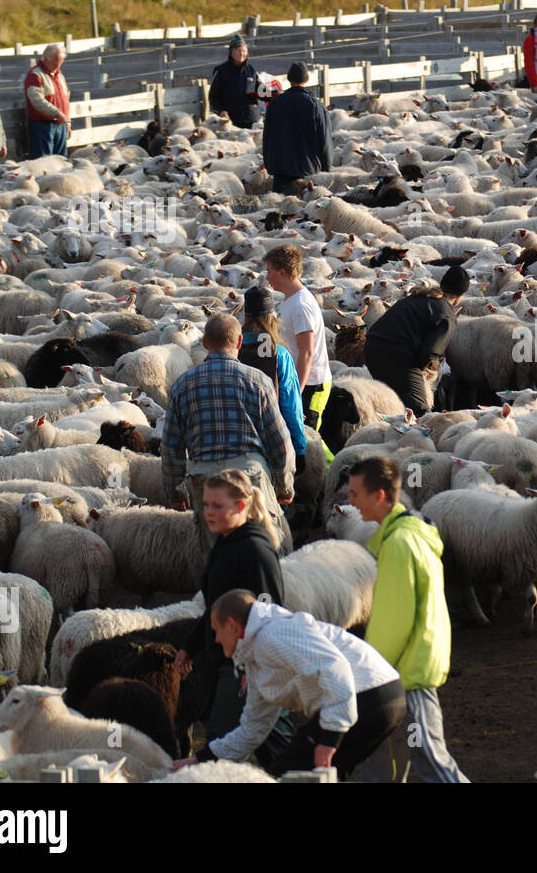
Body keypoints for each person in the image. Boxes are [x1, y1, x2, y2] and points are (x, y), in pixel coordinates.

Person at [176, 589, 406, 779]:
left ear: (232, 625)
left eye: (216, 631)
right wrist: (199, 759)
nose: (215, 639)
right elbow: (252, 729)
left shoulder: (273, 634)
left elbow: (334, 668)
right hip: (380, 696)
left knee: (288, 773)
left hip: (367, 693)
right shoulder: (256, 660)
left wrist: (329, 739)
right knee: (313, 775)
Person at [349, 458, 469, 783]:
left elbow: (393, 619)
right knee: (383, 757)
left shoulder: (399, 545)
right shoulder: (407, 536)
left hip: (407, 672)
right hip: (409, 665)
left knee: (430, 758)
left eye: (355, 493)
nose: (350, 501)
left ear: (379, 496)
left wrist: (368, 673)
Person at [173, 469, 294, 768]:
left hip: (245, 666)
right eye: (206, 505)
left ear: (241, 506)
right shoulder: (225, 544)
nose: (208, 513)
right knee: (271, 745)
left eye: (217, 506)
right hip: (233, 661)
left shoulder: (254, 550)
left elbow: (269, 613)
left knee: (221, 747)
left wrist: (252, 668)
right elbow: (219, 606)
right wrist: (191, 646)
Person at [161, 313, 295, 558]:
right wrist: (284, 485)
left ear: (204, 343)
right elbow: (280, 440)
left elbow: (171, 445)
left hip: (207, 483)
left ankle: (224, 595)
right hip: (250, 478)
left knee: (217, 556)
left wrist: (176, 492)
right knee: (263, 547)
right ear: (240, 342)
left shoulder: (182, 385)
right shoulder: (259, 381)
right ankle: (264, 593)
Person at [364, 266, 468, 416]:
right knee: (419, 410)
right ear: (460, 296)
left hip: (373, 349)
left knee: (392, 404)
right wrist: (433, 368)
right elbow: (430, 353)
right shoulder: (446, 314)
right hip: (397, 356)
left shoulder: (416, 297)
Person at [237, 286, 308, 476]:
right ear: (272, 317)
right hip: (271, 442)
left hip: (232, 442)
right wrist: (299, 448)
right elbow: (290, 405)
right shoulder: (280, 354)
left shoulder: (232, 349)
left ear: (245, 316)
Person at [264, 245, 333, 436]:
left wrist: (297, 393)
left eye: (269, 271)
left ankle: (328, 466)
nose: (267, 277)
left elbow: (307, 352)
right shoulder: (290, 300)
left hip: (311, 384)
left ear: (282, 272)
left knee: (309, 439)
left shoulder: (301, 305)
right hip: (296, 381)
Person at [261, 62, 331, 196]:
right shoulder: (316, 105)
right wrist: (326, 169)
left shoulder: (275, 103)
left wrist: (269, 165)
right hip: (308, 170)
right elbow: (324, 140)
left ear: (289, 79)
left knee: (281, 209)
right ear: (307, 79)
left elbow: (267, 137)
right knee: (306, 211)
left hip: (281, 168)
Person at [24, 44, 70, 157]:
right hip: (42, 126)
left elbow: (66, 99)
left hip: (60, 125)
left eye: (60, 63)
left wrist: (68, 123)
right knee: (44, 163)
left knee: (61, 162)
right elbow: (37, 100)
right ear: (45, 59)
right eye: (55, 63)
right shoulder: (35, 75)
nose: (57, 66)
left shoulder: (59, 76)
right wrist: (57, 113)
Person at [208, 34, 262, 128]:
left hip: (252, 119)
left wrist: (275, 96)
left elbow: (261, 90)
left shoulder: (251, 70)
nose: (242, 54)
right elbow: (213, 96)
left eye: (244, 51)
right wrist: (221, 111)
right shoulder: (221, 71)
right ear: (231, 52)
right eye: (238, 51)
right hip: (230, 121)